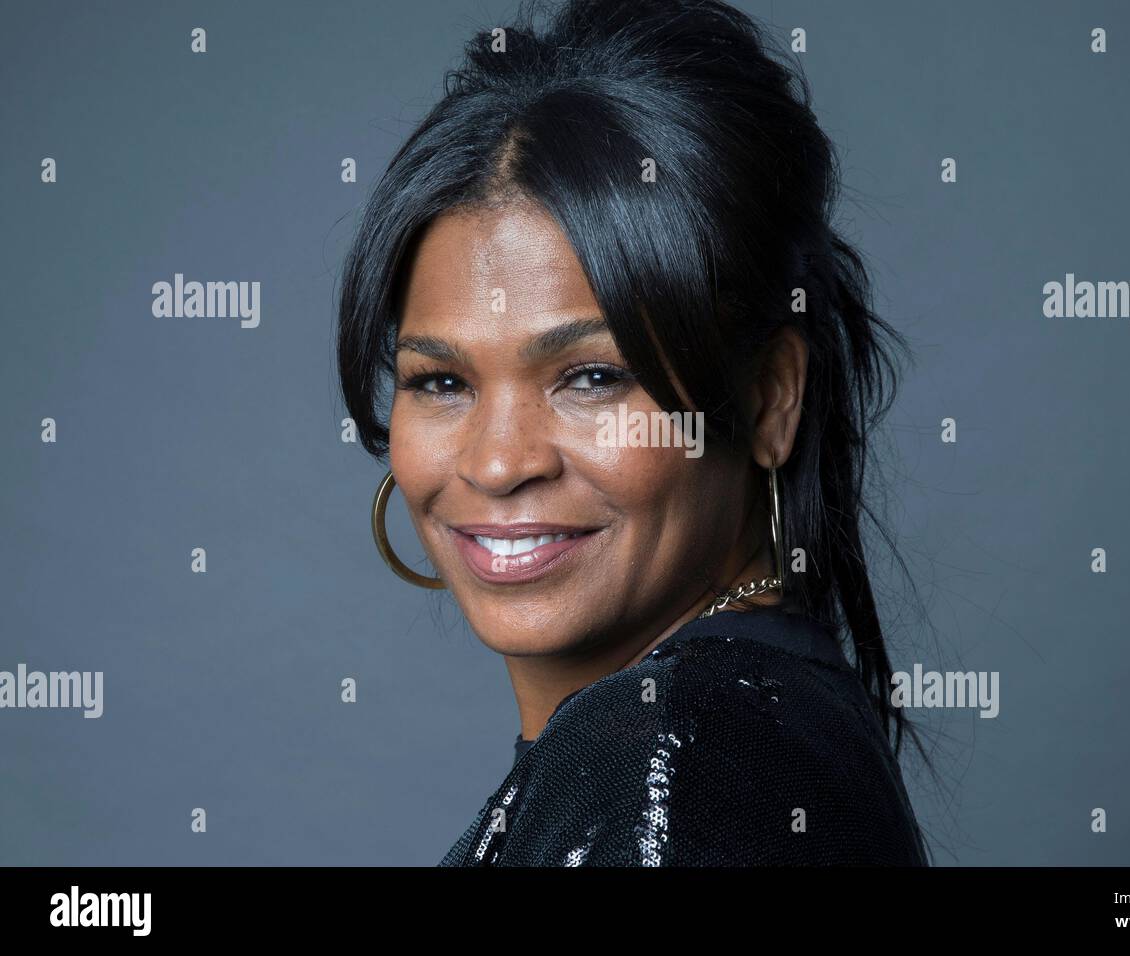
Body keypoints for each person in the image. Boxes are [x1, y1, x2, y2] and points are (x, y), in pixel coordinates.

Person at [337, 0, 930, 865]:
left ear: (769, 399)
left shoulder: (673, 749)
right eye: (442, 382)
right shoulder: (760, 727)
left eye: (591, 377)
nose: (500, 462)